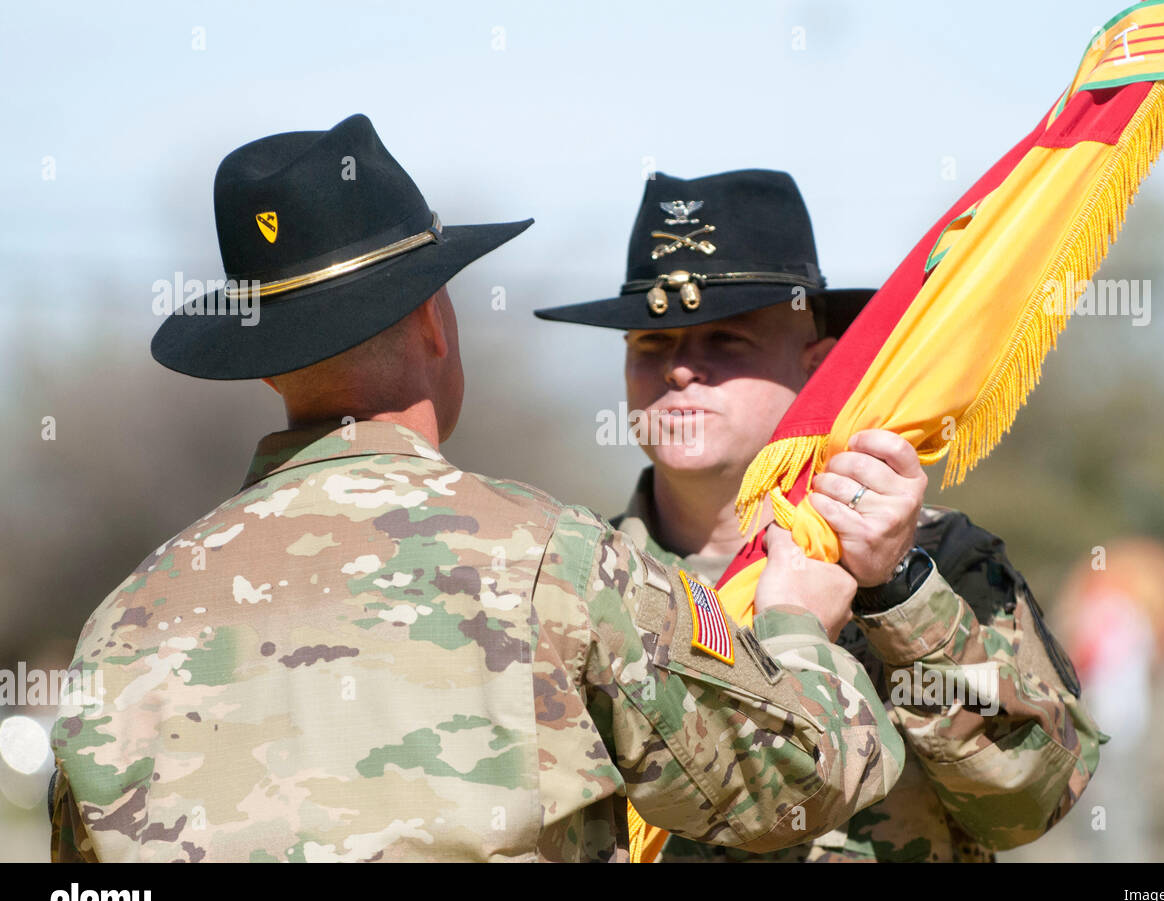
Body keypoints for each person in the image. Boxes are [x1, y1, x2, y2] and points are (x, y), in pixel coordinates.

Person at [47, 119, 904, 863]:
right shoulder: (555, 563)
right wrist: (796, 621)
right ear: (435, 322)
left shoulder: (124, 624)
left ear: (265, 364)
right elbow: (793, 780)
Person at [536, 168, 1103, 862]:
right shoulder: (565, 575)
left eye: (725, 342)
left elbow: (1032, 799)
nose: (682, 370)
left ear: (817, 368)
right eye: (651, 345)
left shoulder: (934, 561)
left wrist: (898, 593)